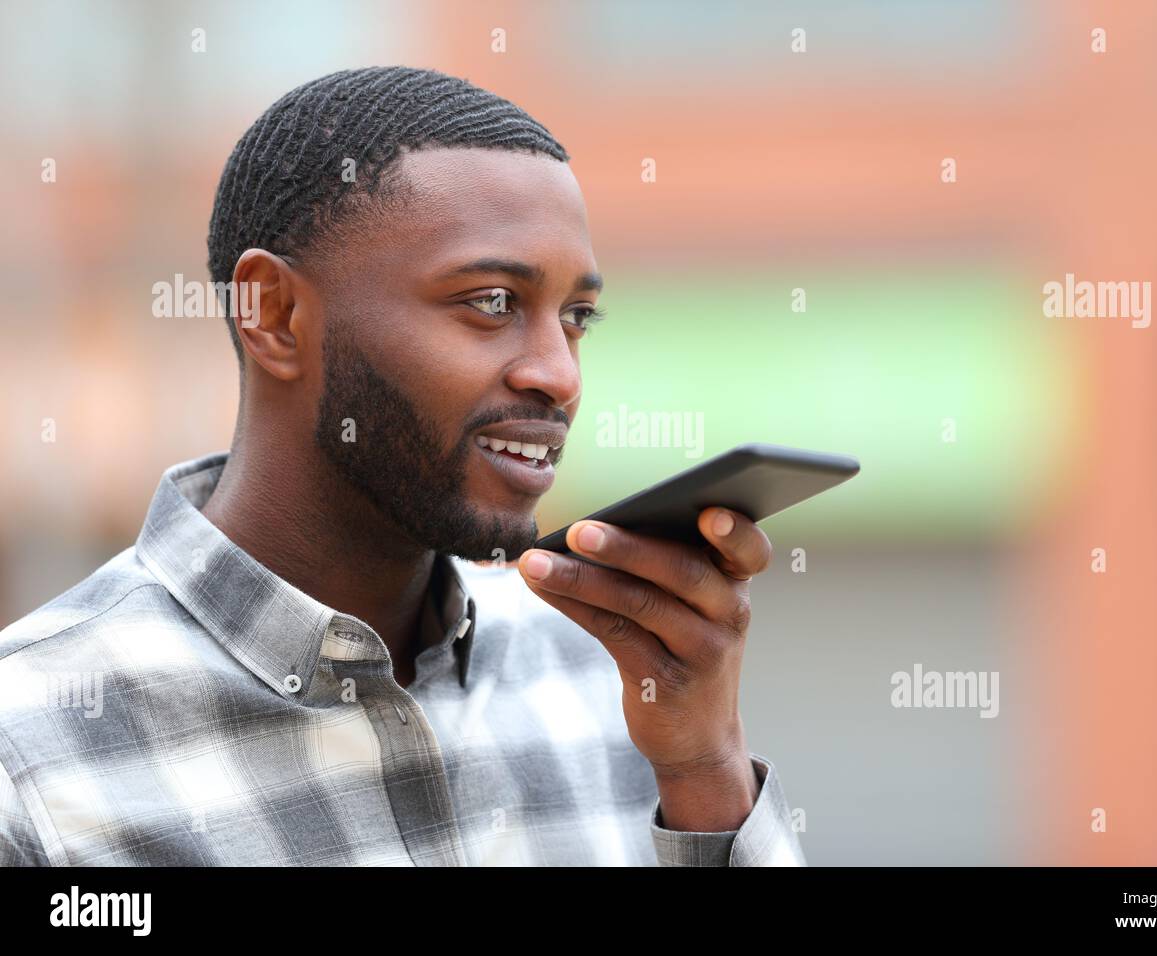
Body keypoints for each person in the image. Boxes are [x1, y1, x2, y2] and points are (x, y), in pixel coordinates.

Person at [0, 66, 805, 866]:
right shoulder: (31, 750)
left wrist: (705, 771)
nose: (559, 374)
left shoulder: (606, 667)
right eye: (490, 302)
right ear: (274, 315)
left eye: (576, 317)